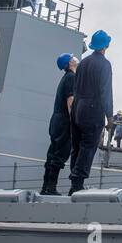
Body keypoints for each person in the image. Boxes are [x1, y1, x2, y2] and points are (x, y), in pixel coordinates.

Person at [69, 29, 113, 194]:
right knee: (88, 146)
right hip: (92, 109)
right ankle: (77, 184)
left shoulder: (83, 63)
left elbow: (75, 87)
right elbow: (106, 92)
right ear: (106, 45)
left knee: (76, 146)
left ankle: (74, 182)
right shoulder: (104, 64)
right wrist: (109, 116)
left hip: (77, 108)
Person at [40, 53, 78, 194]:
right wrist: (74, 120)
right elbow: (70, 101)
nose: (75, 59)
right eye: (72, 58)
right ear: (69, 63)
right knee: (60, 154)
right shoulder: (71, 78)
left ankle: (45, 187)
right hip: (64, 120)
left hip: (56, 120)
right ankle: (50, 187)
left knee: (52, 152)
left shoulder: (65, 78)